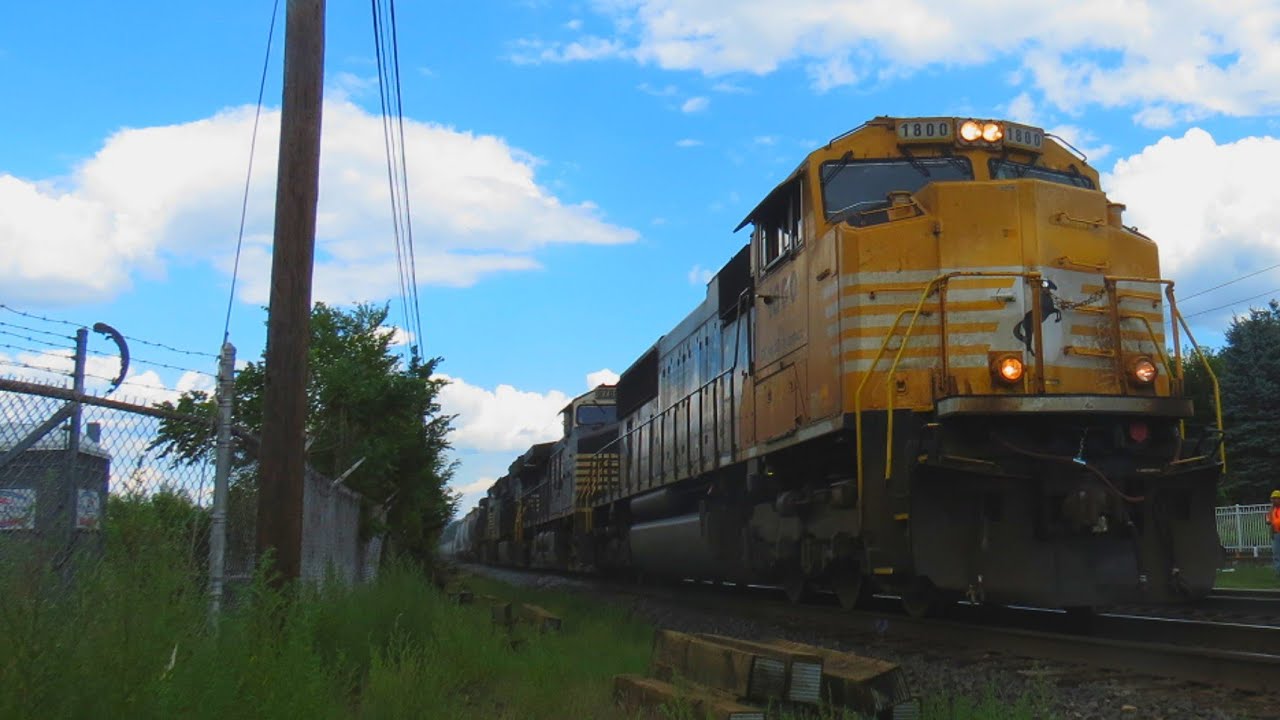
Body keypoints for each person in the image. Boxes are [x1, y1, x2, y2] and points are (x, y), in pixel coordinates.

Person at [1272, 490, 1280, 577]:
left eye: (1275, 498)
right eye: (1273, 498)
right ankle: (1278, 573)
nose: (1273, 500)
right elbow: (1269, 521)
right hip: (1276, 534)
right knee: (1276, 554)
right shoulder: (1272, 510)